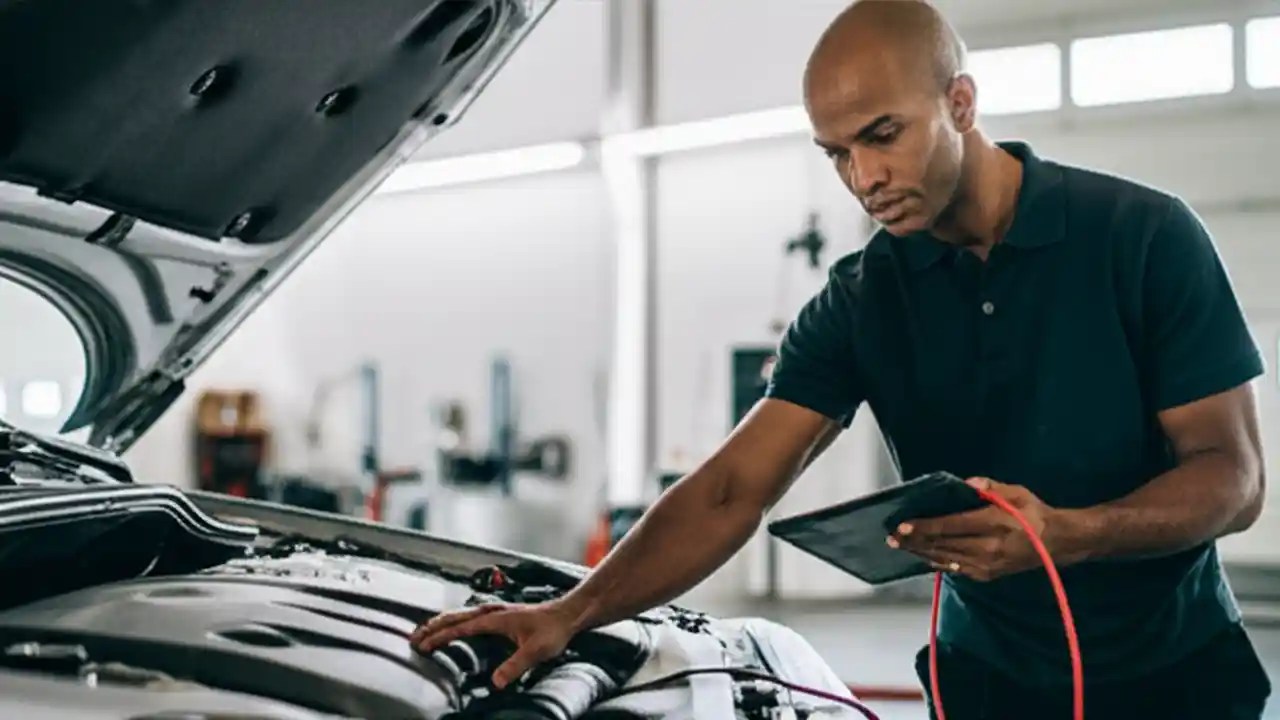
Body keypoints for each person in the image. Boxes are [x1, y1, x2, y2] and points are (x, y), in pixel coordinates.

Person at [411, 1, 1273, 716]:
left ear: (961, 103)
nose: (863, 177)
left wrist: (1068, 535)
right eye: (837, 154)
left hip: (1178, 672)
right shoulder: (863, 299)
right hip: (988, 683)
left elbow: (1232, 480)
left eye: (883, 134)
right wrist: (573, 609)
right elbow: (729, 488)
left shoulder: (1142, 238)